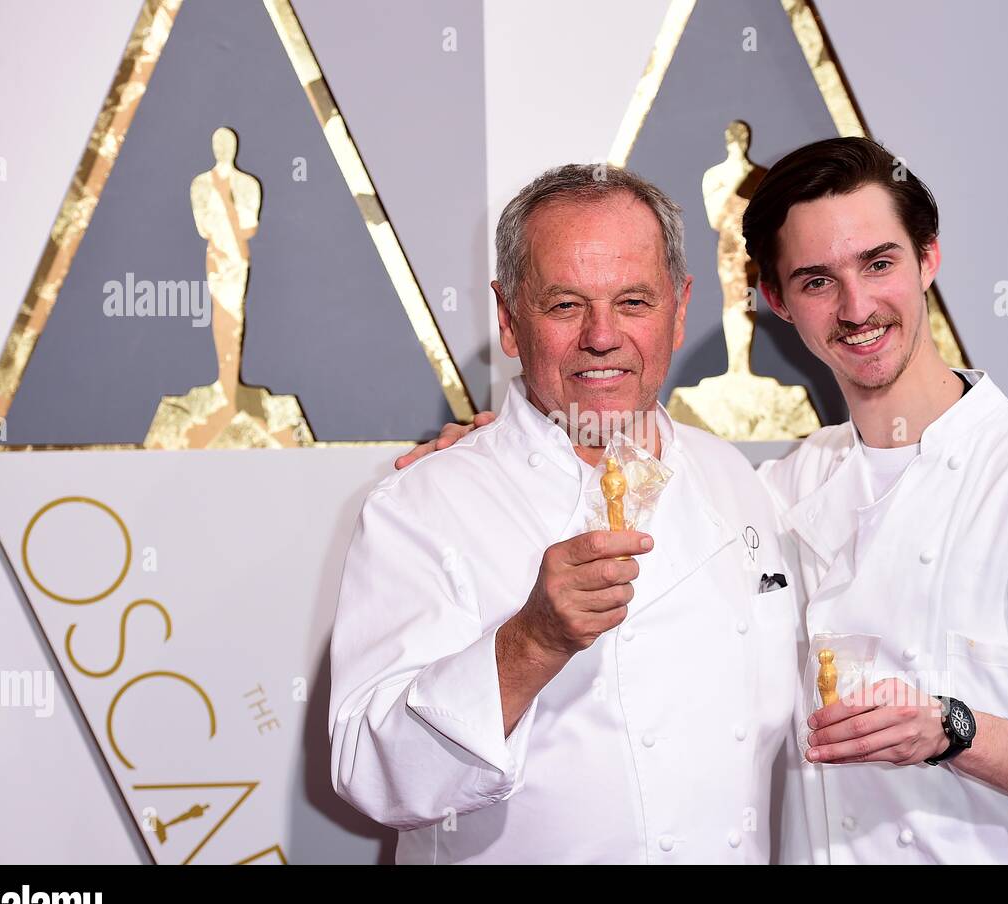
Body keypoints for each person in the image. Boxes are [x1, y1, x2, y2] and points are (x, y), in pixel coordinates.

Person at [401, 139, 1008, 865]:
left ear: (928, 259)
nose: (856, 306)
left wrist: (953, 730)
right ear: (775, 298)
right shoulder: (778, 489)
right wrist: (512, 446)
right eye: (816, 281)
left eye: (879, 263)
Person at [329, 164, 810, 864]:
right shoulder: (423, 507)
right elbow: (370, 771)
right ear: (508, 317)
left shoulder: (736, 481)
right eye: (565, 305)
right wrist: (530, 642)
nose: (602, 336)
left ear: (679, 310)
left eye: (635, 302)